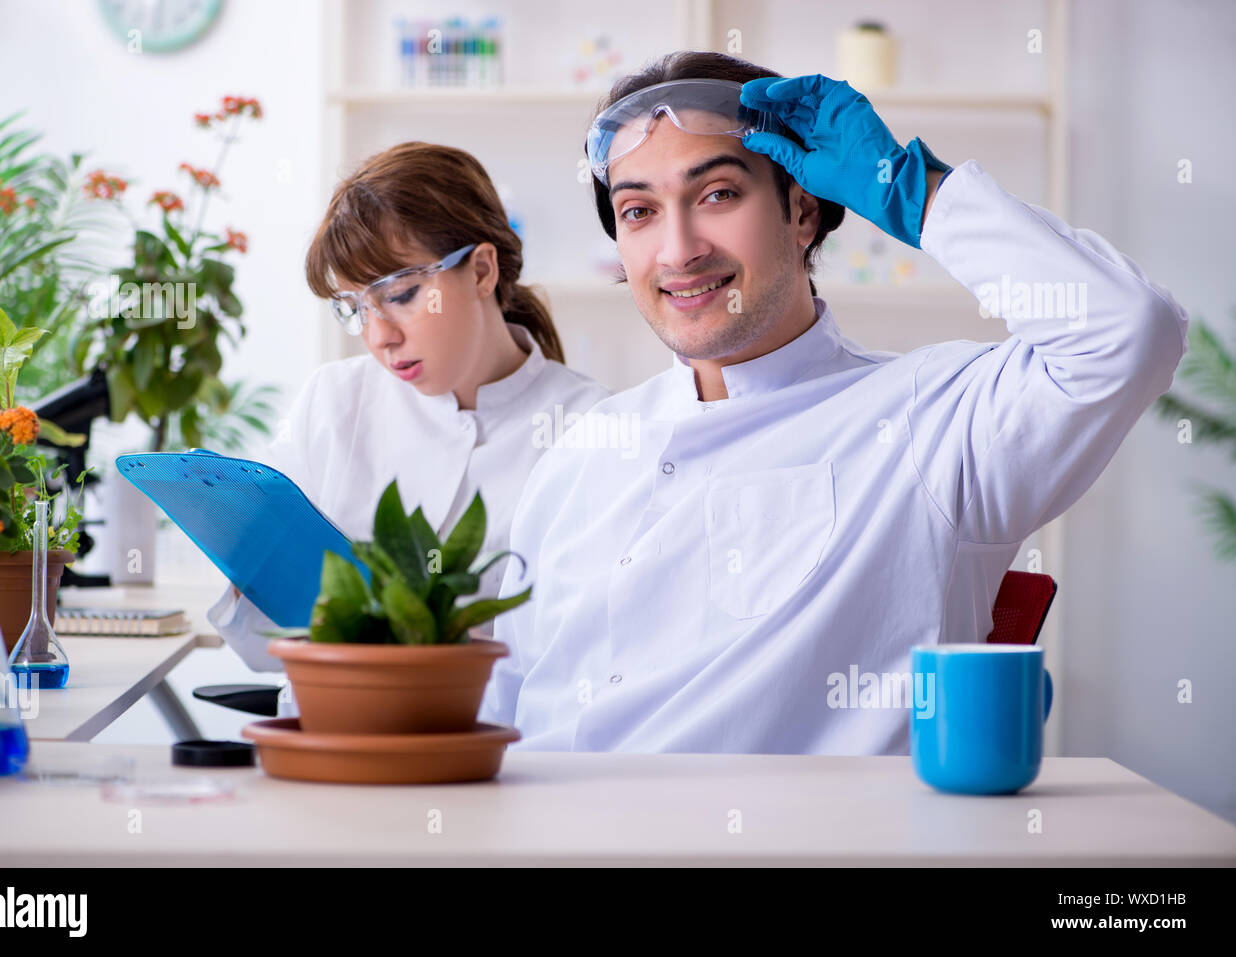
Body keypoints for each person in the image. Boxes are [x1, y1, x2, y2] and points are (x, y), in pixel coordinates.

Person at [479, 52, 1189, 754]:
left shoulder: (933, 419)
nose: (678, 249)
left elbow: (1128, 331)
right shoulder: (578, 455)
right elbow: (499, 717)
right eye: (638, 211)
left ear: (803, 211)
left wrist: (915, 191)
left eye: (719, 194)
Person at [207, 141, 608, 702]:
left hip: (494, 762)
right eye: (355, 308)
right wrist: (246, 564)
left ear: (482, 270)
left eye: (399, 295)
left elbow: (581, 660)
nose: (380, 337)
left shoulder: (591, 427)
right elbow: (260, 648)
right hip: (330, 741)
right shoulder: (334, 400)